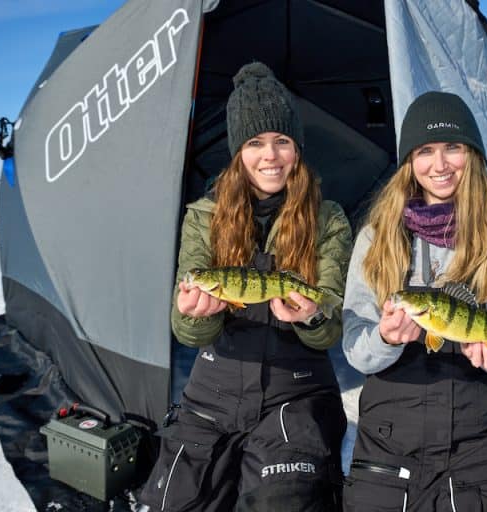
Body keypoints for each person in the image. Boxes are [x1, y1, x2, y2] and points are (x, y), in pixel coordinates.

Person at [141, 62, 352, 511]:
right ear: (238, 150)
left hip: (296, 391)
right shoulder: (203, 215)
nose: (270, 156)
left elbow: (329, 328)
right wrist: (195, 314)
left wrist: (311, 315)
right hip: (212, 390)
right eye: (255, 142)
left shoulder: (328, 218)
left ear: (297, 147)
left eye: (282, 141)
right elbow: (188, 334)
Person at [341, 91, 487, 511]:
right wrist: (384, 338)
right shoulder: (375, 239)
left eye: (453, 147)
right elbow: (354, 349)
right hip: (391, 436)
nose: (439, 165)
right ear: (409, 163)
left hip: (486, 436)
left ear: (472, 154)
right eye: (425, 151)